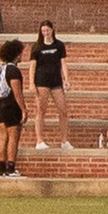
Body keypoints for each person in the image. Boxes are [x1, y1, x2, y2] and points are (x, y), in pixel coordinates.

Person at [28, 22, 73, 150]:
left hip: (56, 81)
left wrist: (66, 79)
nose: (45, 33)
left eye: (47, 30)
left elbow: (63, 63)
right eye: (43, 31)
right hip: (41, 81)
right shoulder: (37, 46)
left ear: (52, 30)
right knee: (41, 109)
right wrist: (31, 83)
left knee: (63, 110)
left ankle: (64, 140)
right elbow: (32, 66)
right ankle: (39, 140)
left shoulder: (59, 45)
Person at [0, 37, 26, 177]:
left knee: (3, 136)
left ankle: (1, 167)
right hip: (11, 106)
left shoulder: (2, 69)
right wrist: (24, 109)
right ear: (17, 54)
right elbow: (17, 93)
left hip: (0, 105)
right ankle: (11, 167)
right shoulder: (13, 71)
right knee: (13, 136)